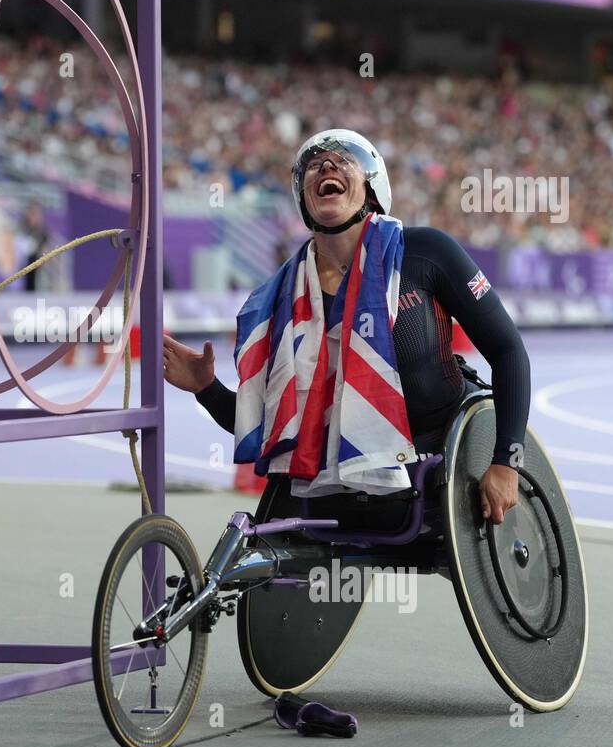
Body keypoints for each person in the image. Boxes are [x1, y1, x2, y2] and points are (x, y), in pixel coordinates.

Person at [163, 129, 530, 530]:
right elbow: (274, 426)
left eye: (343, 160)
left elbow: (508, 350)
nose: (325, 166)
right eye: (313, 165)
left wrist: (505, 462)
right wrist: (206, 387)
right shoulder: (278, 299)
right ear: (303, 199)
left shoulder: (427, 253)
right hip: (331, 483)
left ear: (372, 188)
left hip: (440, 465)